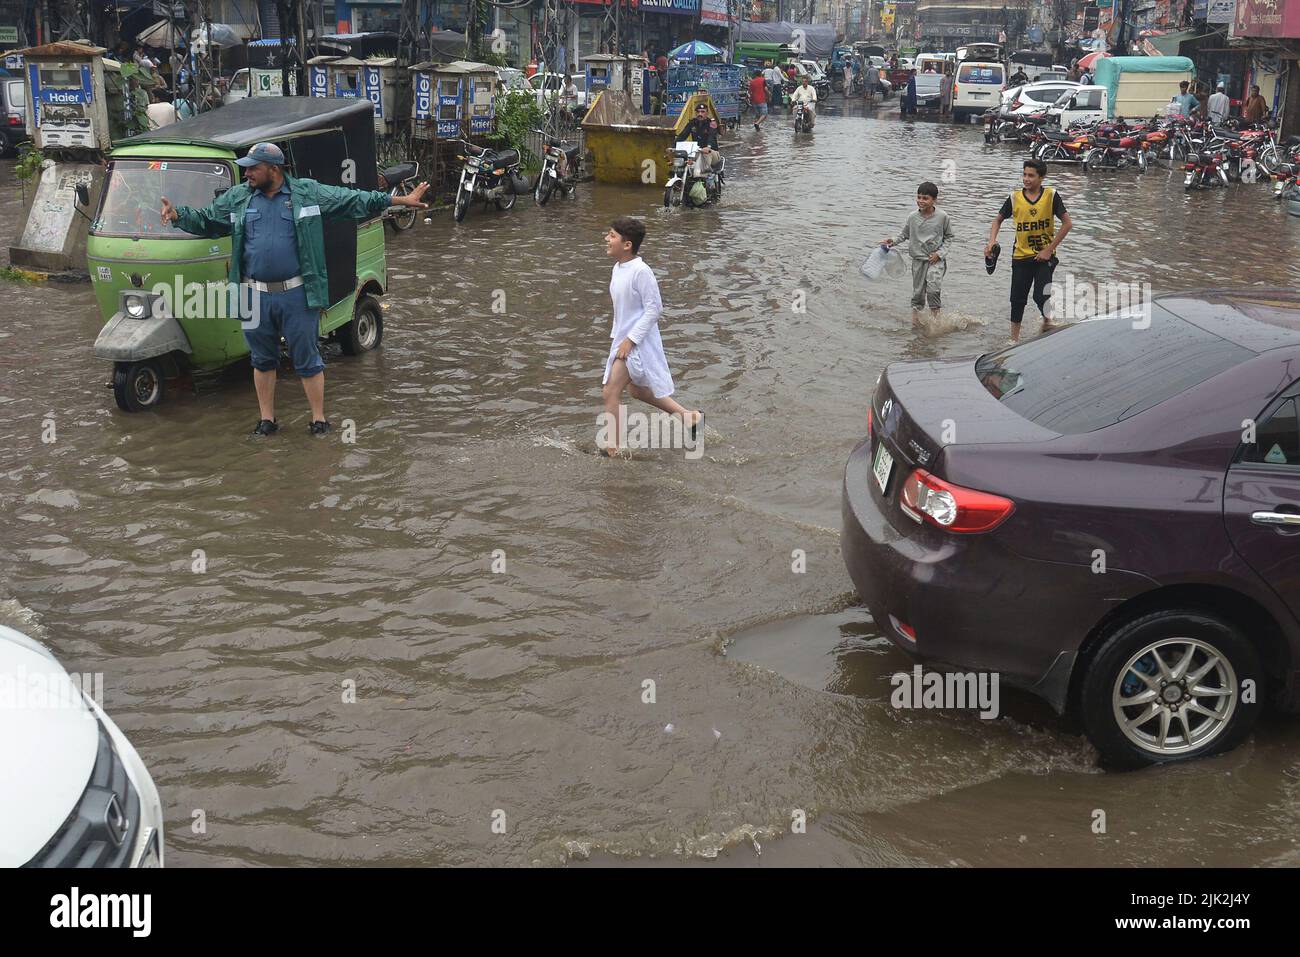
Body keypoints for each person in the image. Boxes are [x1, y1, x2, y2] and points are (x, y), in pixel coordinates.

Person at [159, 142, 431, 436]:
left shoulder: (307, 193)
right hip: (254, 296)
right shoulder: (239, 198)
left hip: (297, 294)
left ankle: (318, 419)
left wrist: (400, 201)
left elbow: (352, 200)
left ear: (273, 169)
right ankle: (267, 420)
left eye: (253, 167)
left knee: (307, 358)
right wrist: (179, 216)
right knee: (261, 359)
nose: (246, 172)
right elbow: (208, 220)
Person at [600, 217, 702, 458]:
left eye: (612, 235)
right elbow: (623, 311)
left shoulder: (641, 271)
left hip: (638, 343)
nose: (607, 238)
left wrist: (630, 340)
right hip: (623, 341)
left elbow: (654, 308)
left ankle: (613, 450)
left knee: (610, 391)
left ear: (627, 245)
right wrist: (618, 338)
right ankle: (690, 418)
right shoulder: (617, 269)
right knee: (637, 391)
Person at [983, 158, 1073, 345]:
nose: (1026, 179)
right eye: (1024, 174)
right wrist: (992, 241)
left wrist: (1049, 249)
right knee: (1017, 299)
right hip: (1021, 256)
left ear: (1041, 177)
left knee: (1041, 296)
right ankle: (1014, 340)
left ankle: (1047, 322)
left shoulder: (1051, 195)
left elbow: (1067, 223)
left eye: (1031, 175)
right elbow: (997, 220)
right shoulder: (1015, 197)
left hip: (1044, 257)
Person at [881, 181, 954, 330]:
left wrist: (939, 254)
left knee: (933, 289)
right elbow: (904, 235)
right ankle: (915, 322)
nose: (921, 201)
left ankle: (936, 322)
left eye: (925, 198)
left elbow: (949, 237)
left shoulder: (942, 217)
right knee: (918, 293)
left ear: (934, 200)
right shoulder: (912, 217)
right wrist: (892, 241)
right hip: (918, 260)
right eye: (919, 197)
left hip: (935, 260)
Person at [684, 101, 723, 174]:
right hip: (697, 152)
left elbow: (711, 136)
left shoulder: (712, 123)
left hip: (711, 152)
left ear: (707, 113)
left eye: (702, 112)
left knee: (706, 154)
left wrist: (708, 147)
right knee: (682, 157)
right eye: (698, 112)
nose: (700, 114)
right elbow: (682, 135)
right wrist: (672, 146)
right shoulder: (692, 123)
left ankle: (705, 178)